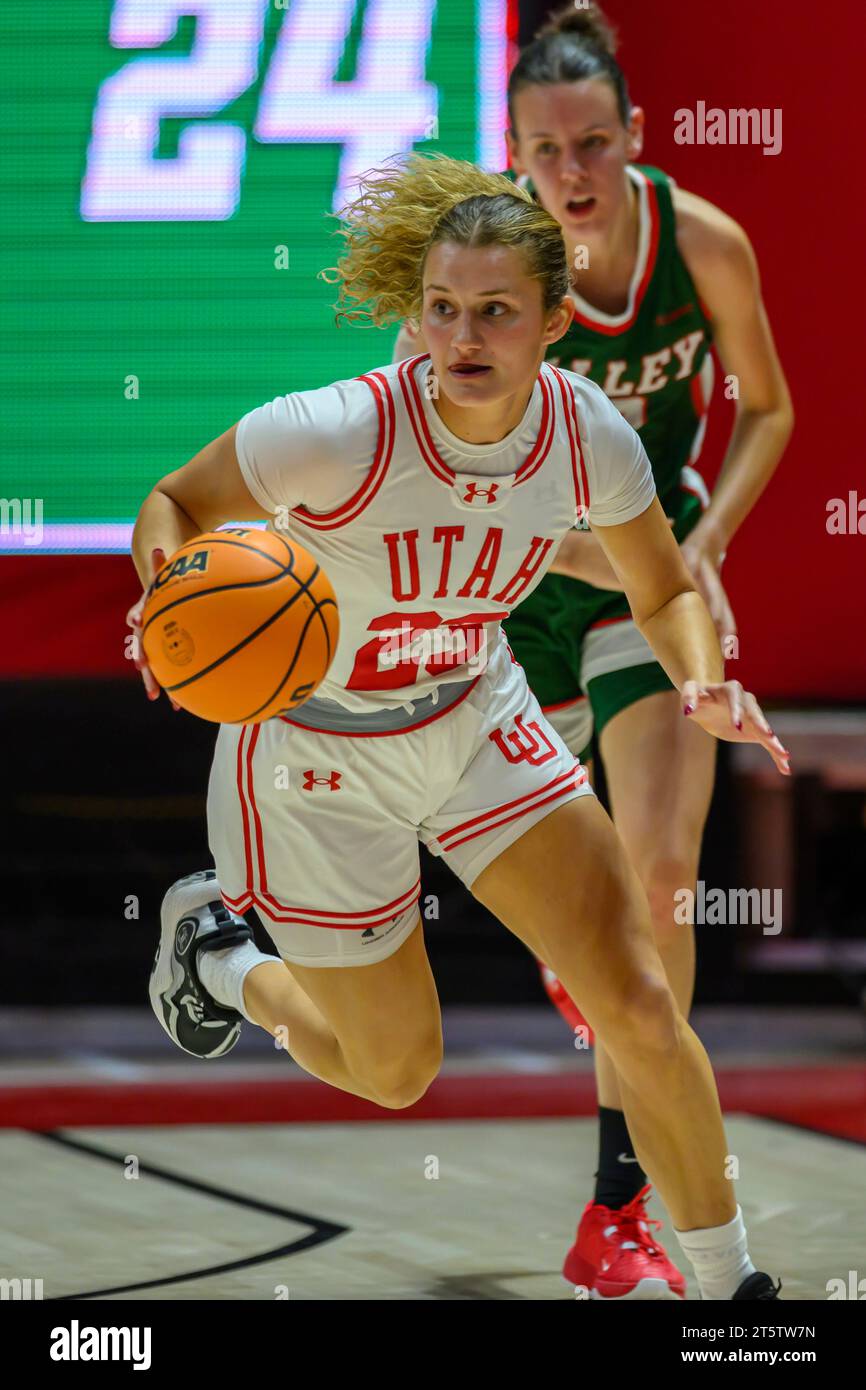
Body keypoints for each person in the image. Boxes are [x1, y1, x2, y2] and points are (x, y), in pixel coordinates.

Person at [128, 151, 789, 1300]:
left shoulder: (587, 436)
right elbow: (176, 502)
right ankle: (225, 961)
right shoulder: (338, 432)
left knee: (632, 994)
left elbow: (666, 585)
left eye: (493, 311)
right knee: (394, 1072)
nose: (462, 335)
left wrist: (697, 682)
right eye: (442, 308)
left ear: (552, 321)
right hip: (317, 752)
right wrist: (166, 599)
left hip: (472, 709)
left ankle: (733, 1292)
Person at [394, 2, 794, 1298]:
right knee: (574, 897)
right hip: (515, 592)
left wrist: (702, 549)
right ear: (511, 151)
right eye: (540, 150)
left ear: (631, 135)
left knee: (663, 874)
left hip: (638, 579)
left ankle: (618, 1201)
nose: (566, 174)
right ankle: (576, 968)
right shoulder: (479, 279)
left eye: (587, 145)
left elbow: (769, 406)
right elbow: (430, 461)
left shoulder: (701, 247)